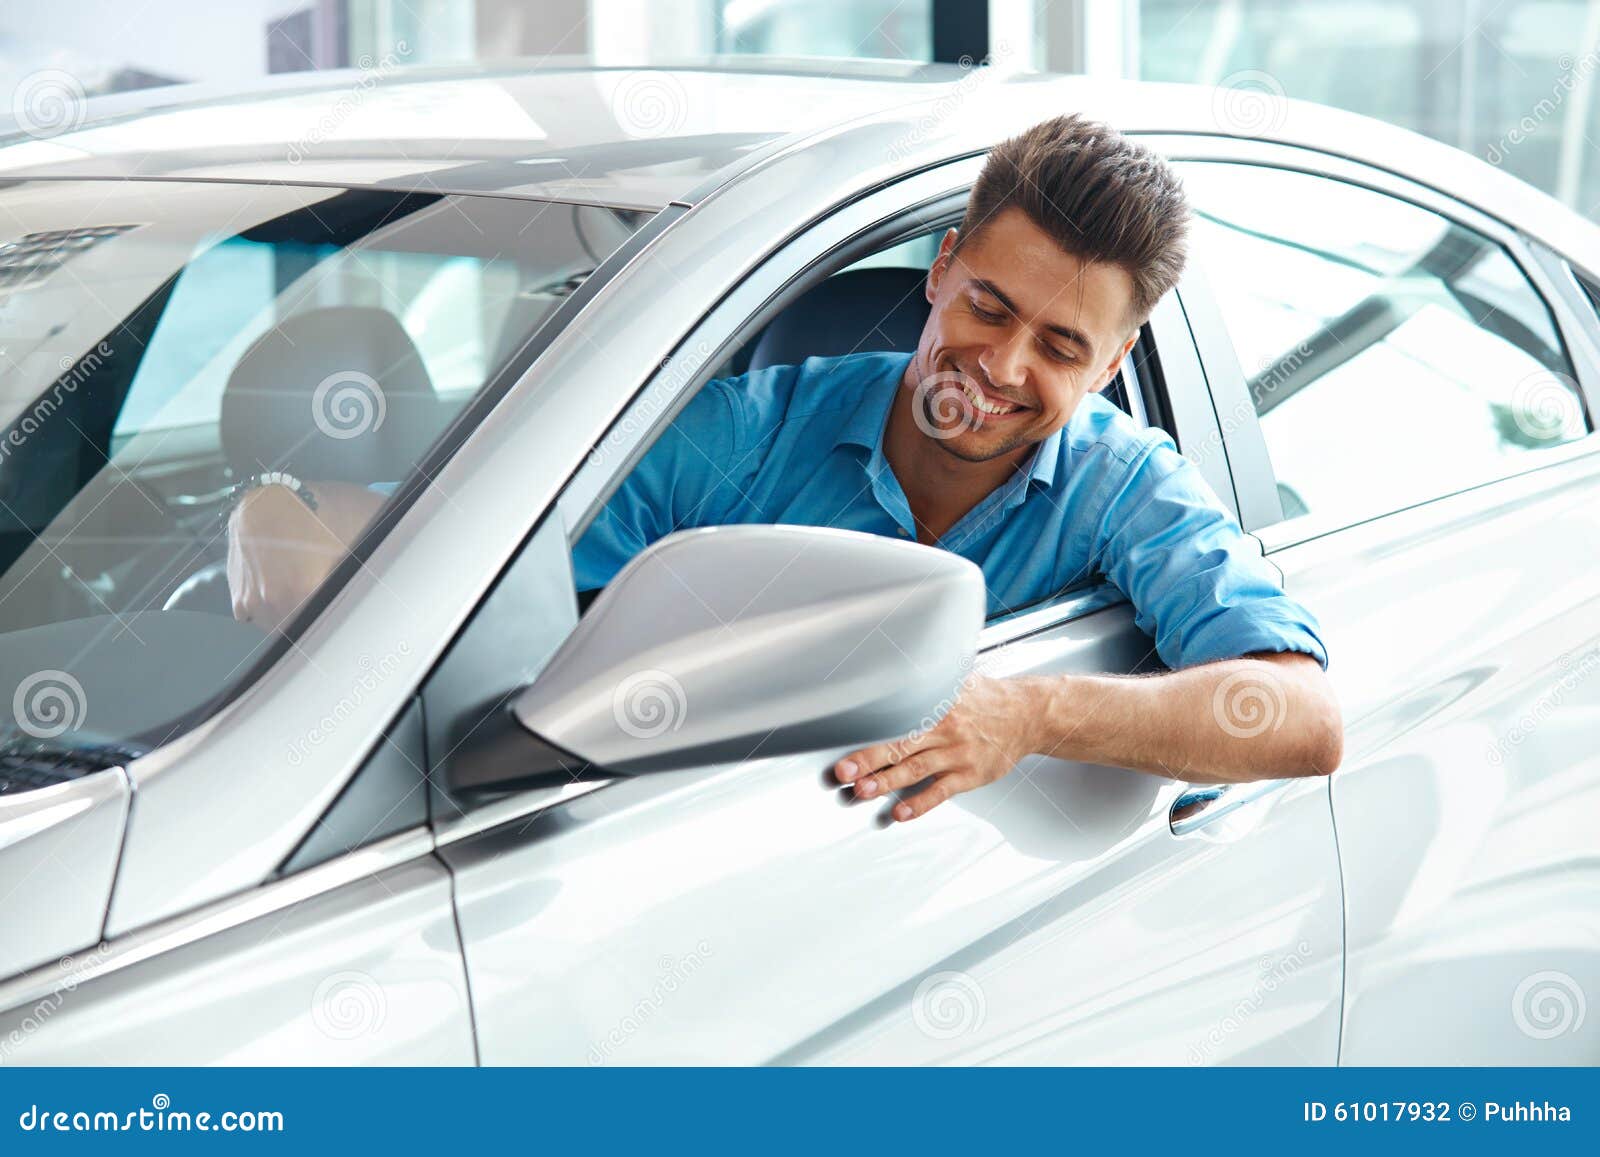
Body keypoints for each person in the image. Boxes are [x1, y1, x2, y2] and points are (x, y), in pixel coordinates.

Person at [228, 114, 1342, 823]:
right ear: (941, 270)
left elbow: (1299, 715)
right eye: (988, 307)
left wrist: (1027, 713)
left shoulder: (1124, 487)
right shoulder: (746, 432)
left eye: (1058, 347)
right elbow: (479, 550)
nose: (1000, 366)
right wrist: (276, 508)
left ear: (1112, 362)